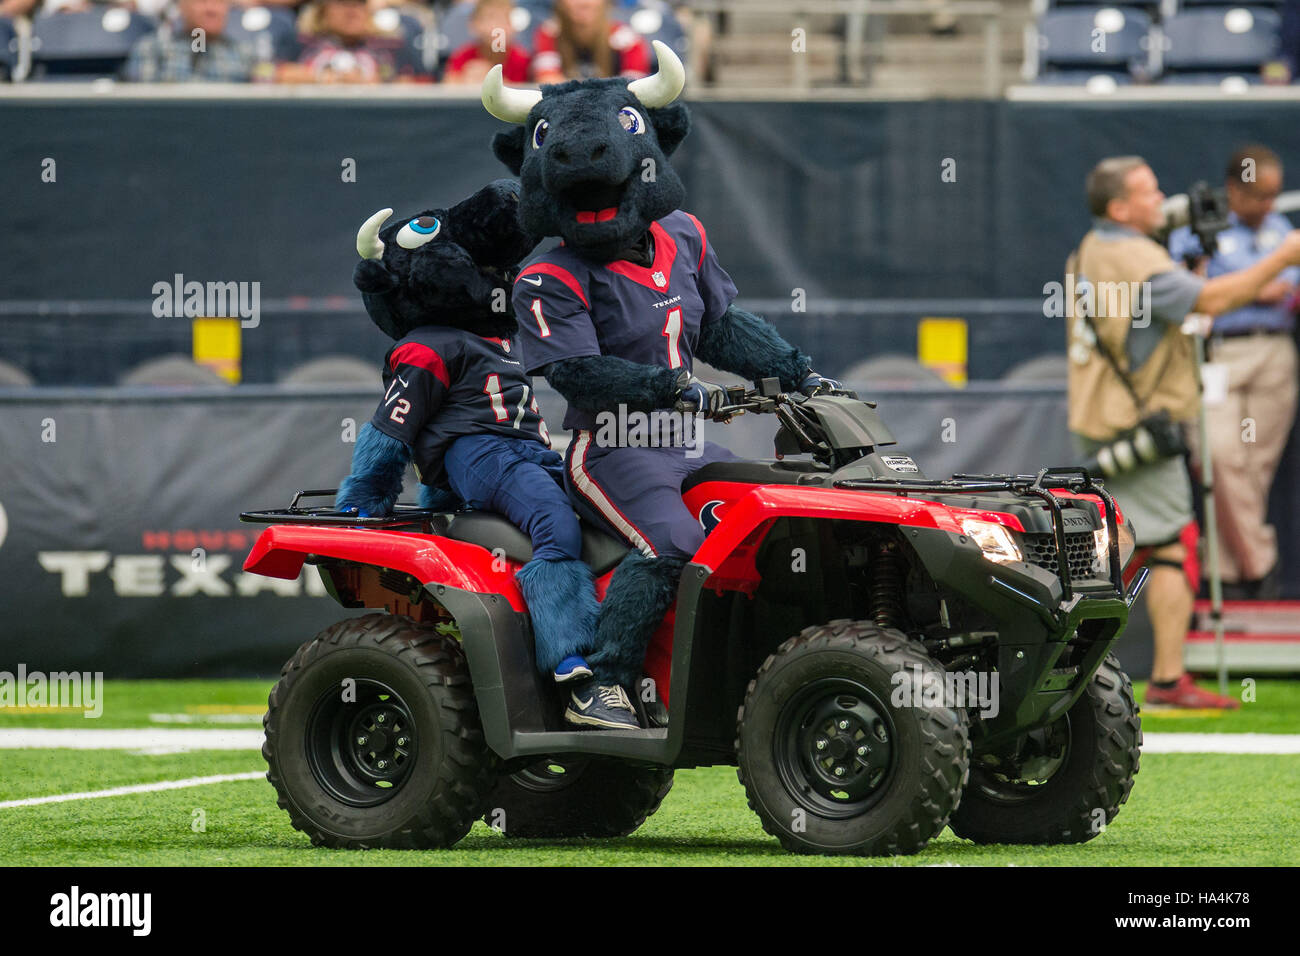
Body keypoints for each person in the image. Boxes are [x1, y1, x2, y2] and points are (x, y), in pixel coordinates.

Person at [1066, 156, 1300, 709]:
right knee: (1166, 544)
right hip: (1136, 422)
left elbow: (1158, 316)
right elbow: (1210, 302)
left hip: (1106, 415)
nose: (1160, 198)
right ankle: (1165, 679)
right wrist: (1283, 258)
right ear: (1119, 208)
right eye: (1148, 192)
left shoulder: (1092, 248)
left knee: (1120, 544)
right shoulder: (1136, 258)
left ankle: (1079, 666)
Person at [1168, 145, 1299, 600]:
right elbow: (1190, 290)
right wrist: (1257, 285)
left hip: (1274, 350)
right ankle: (1260, 562)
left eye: (1273, 196)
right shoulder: (1195, 233)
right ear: (1233, 191)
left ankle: (1226, 577)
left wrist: (1259, 286)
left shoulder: (1280, 230)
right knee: (1219, 456)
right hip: (1219, 353)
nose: (1267, 206)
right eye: (1259, 196)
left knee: (1255, 468)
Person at [277, 0, 418, 83]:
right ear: (323, 9)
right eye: (343, 3)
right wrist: (322, 76)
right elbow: (266, 74)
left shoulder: (391, 46)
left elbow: (414, 86)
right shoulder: (302, 42)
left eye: (359, 3)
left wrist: (370, 81)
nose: (352, 12)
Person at [123, 0, 257, 81]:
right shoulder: (152, 49)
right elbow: (140, 111)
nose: (211, 9)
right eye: (201, 1)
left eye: (219, 1)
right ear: (182, 7)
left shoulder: (245, 54)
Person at [530, 0, 650, 83]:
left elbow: (633, 89)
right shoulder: (549, 33)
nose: (583, 2)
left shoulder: (628, 40)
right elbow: (546, 80)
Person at [443, 0, 532, 84]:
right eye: (488, 18)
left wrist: (491, 80)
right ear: (474, 24)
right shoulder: (462, 56)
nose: (495, 26)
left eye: (502, 20)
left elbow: (524, 91)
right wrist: (463, 79)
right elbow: (448, 85)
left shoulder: (522, 59)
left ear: (512, 26)